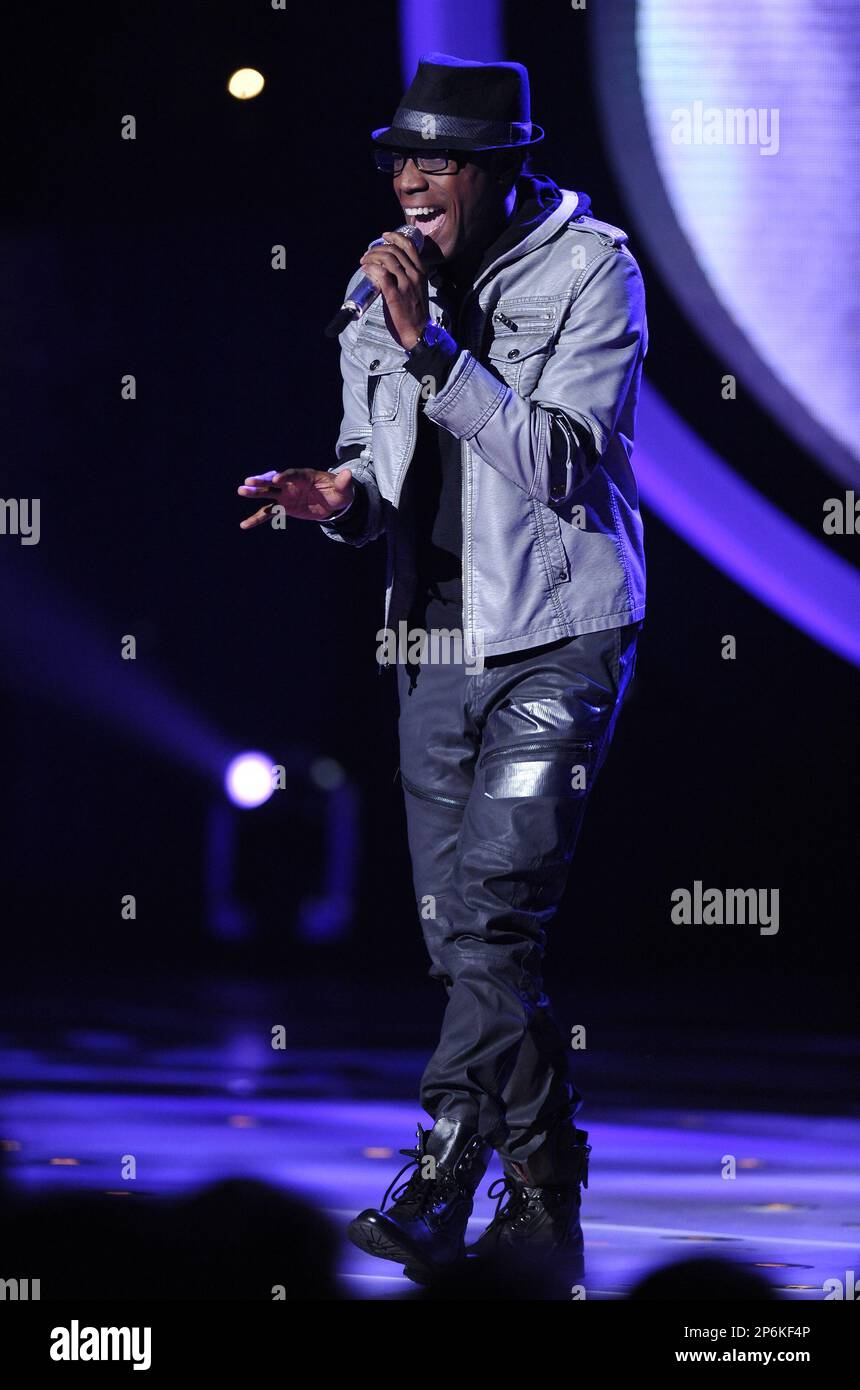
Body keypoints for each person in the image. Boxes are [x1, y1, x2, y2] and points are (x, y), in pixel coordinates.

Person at [238, 52, 647, 1286]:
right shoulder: (378, 289)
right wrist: (333, 495)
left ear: (500, 171)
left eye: (439, 161)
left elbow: (563, 462)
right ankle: (542, 1201)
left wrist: (431, 346)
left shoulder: (591, 269)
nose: (412, 181)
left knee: (494, 913)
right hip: (427, 639)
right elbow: (375, 467)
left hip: (558, 634)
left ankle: (440, 1169)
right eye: (401, 159)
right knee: (462, 942)